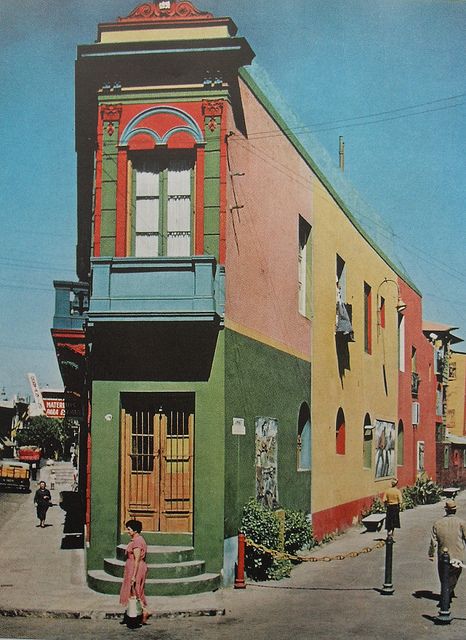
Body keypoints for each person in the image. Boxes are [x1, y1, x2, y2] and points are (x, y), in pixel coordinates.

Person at [428, 499, 466, 603]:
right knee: (454, 575)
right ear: (455, 510)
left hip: (442, 554)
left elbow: (433, 541)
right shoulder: (462, 523)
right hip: (457, 554)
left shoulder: (438, 523)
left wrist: (431, 554)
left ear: (446, 510)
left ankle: (447, 592)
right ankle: (446, 596)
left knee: (444, 575)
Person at [119, 519, 151, 626]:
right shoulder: (136, 540)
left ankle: (144, 611)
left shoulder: (137, 542)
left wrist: (133, 575)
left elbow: (136, 559)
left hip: (135, 568)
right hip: (133, 567)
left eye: (129, 529)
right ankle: (139, 613)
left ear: (135, 530)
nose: (127, 531)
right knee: (135, 591)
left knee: (136, 591)